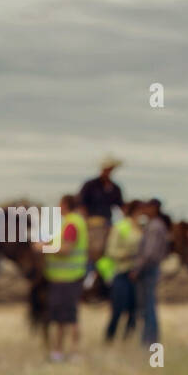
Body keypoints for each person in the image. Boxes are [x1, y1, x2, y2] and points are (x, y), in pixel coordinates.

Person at [44, 193, 89, 362]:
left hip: (67, 278)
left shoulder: (71, 224)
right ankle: (60, 352)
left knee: (69, 317)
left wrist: (43, 249)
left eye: (59, 204)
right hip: (66, 277)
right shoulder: (72, 223)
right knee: (64, 317)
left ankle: (72, 352)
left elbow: (66, 249)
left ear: (65, 205)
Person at [79, 154, 124, 279]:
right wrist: (86, 222)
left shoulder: (115, 188)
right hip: (92, 225)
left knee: (109, 252)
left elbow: (121, 206)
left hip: (107, 224)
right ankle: (87, 279)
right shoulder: (90, 185)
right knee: (91, 253)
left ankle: (105, 280)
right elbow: (82, 204)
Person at [131, 198, 168, 347]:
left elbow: (149, 253)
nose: (144, 210)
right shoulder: (157, 226)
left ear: (154, 208)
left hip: (148, 270)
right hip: (151, 268)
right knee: (148, 306)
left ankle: (149, 341)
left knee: (148, 306)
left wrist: (137, 269)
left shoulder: (154, 227)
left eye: (147, 207)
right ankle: (148, 339)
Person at [102, 201, 142, 342]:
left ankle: (127, 340)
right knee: (117, 309)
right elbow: (110, 251)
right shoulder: (121, 227)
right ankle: (109, 338)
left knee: (134, 311)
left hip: (137, 275)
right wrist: (128, 254)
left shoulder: (142, 228)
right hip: (121, 272)